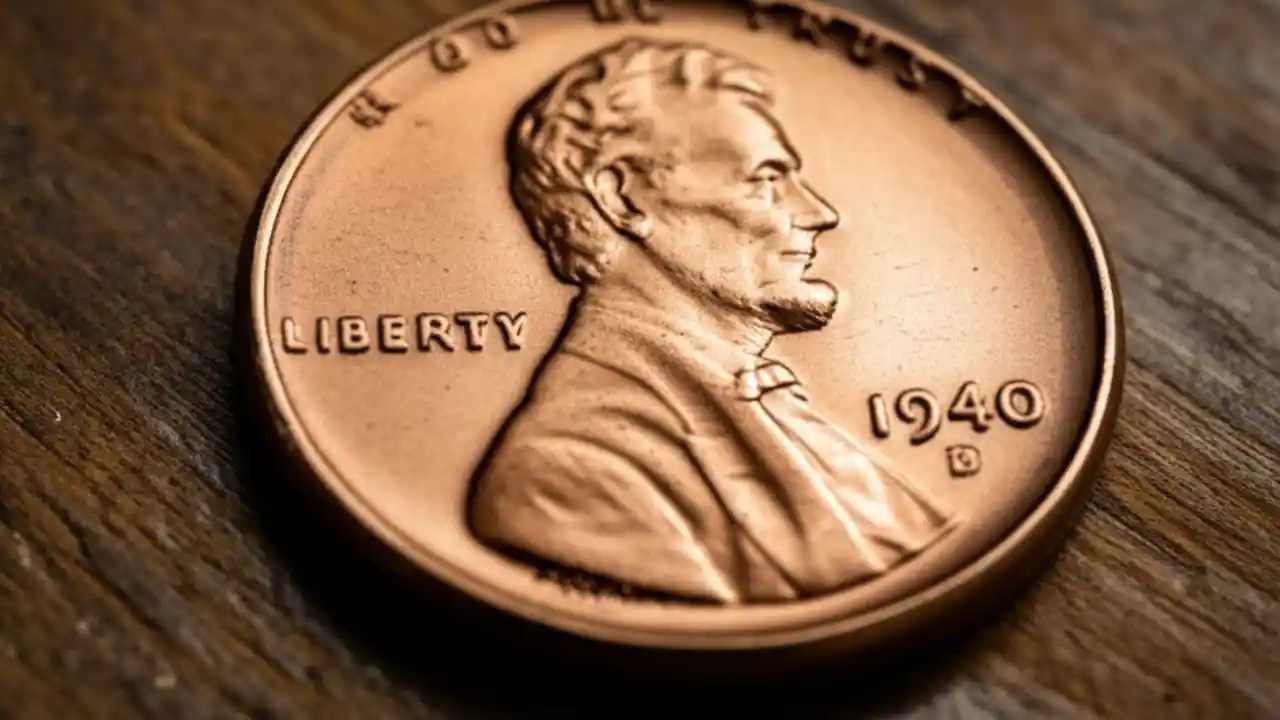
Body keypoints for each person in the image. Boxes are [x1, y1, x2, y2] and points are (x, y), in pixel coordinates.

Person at [467, 38, 956, 604]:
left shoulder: (779, 409)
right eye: (766, 179)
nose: (820, 213)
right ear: (623, 198)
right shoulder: (561, 474)